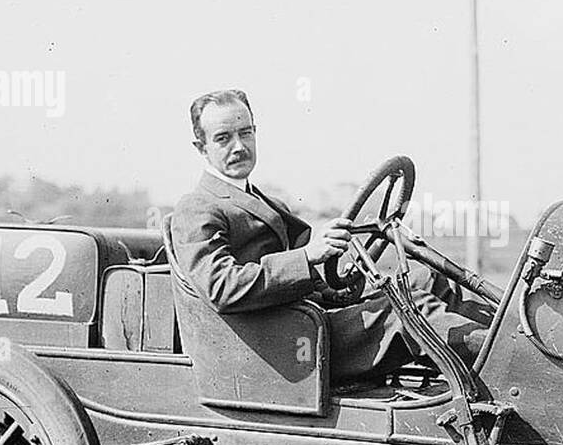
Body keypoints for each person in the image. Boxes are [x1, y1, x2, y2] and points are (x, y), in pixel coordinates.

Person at [169, 89, 488, 382]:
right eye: (224, 138)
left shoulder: (265, 202)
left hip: (306, 322)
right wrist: (308, 256)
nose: (239, 146)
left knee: (428, 281)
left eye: (246, 133)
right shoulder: (196, 209)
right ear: (202, 148)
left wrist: (340, 279)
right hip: (282, 350)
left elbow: (309, 277)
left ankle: (500, 353)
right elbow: (222, 288)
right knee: (408, 310)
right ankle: (506, 364)